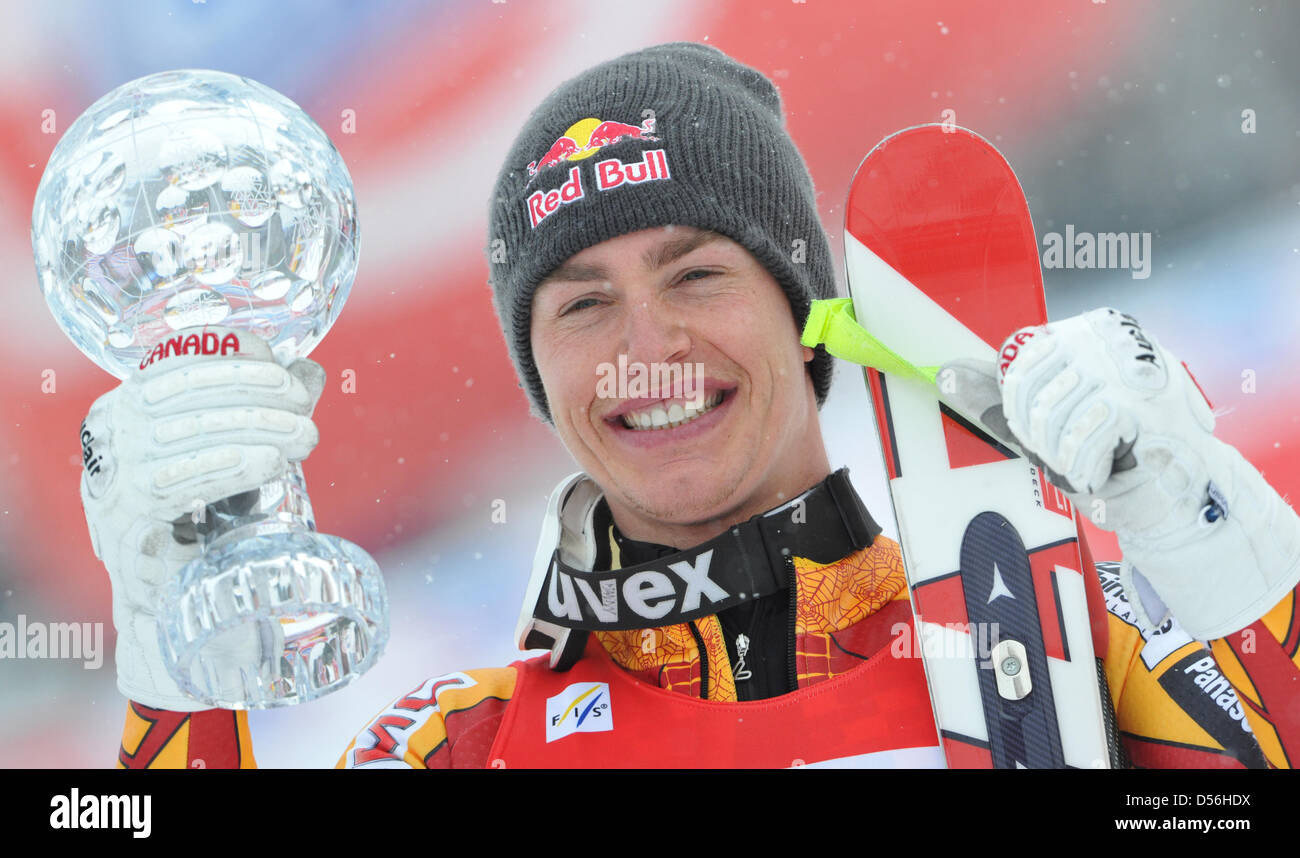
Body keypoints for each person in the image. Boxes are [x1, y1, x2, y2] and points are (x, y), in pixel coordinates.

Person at [86, 42, 1300, 769]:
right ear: (538, 376)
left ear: (803, 315)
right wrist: (171, 672)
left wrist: (1220, 541)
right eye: (579, 305)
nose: (647, 347)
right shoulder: (461, 746)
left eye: (698, 274)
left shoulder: (1069, 651)